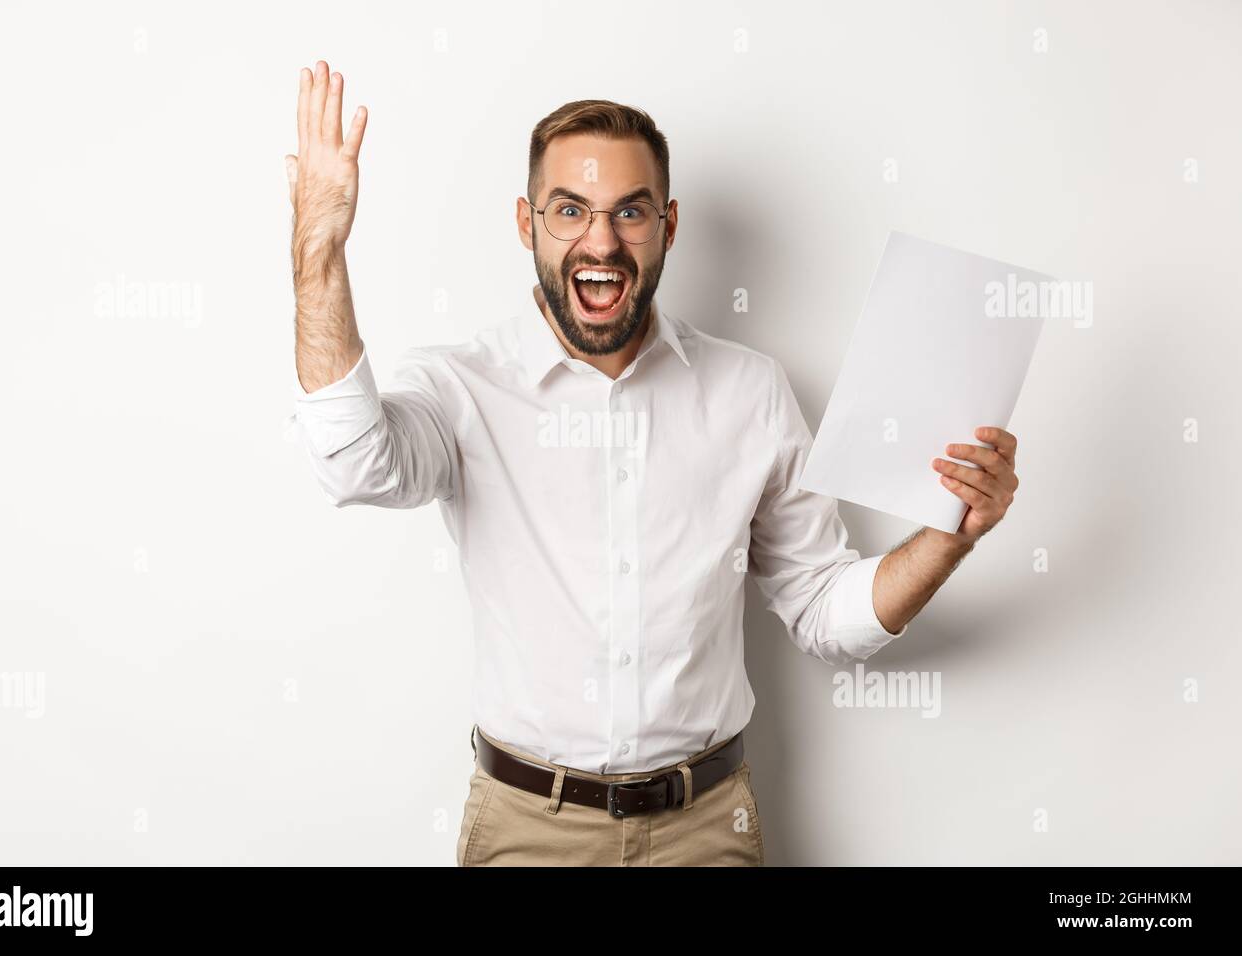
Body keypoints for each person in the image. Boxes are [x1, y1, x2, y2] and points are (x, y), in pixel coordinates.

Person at [284, 61, 1020, 866]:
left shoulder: (751, 392)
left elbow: (821, 610)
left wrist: (949, 537)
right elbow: (354, 463)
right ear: (528, 224)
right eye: (571, 210)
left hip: (706, 830)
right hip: (529, 832)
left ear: (668, 225)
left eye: (629, 212)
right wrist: (318, 250)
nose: (601, 241)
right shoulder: (461, 387)